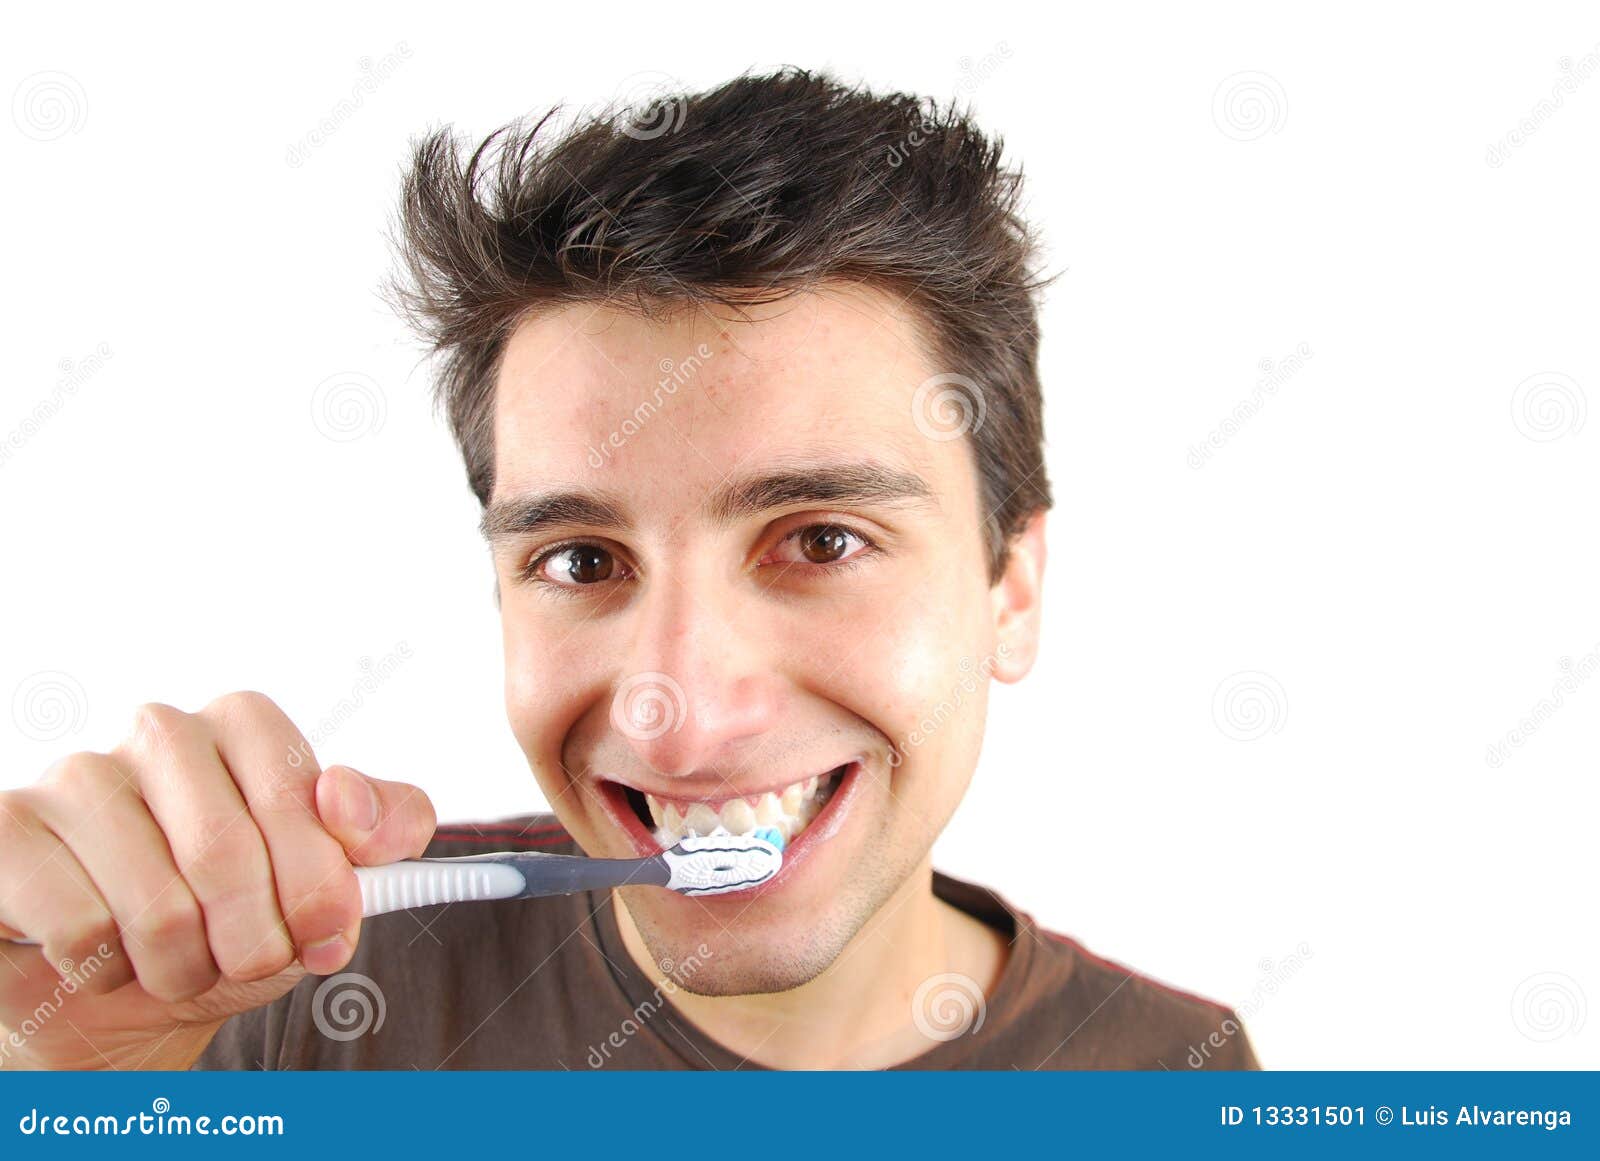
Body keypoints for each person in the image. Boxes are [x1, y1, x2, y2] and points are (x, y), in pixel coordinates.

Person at [0, 68, 1258, 1071]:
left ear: (1011, 588)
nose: (684, 717)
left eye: (821, 541)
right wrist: (54, 1078)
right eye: (584, 558)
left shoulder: (1168, 1077)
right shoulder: (272, 1005)